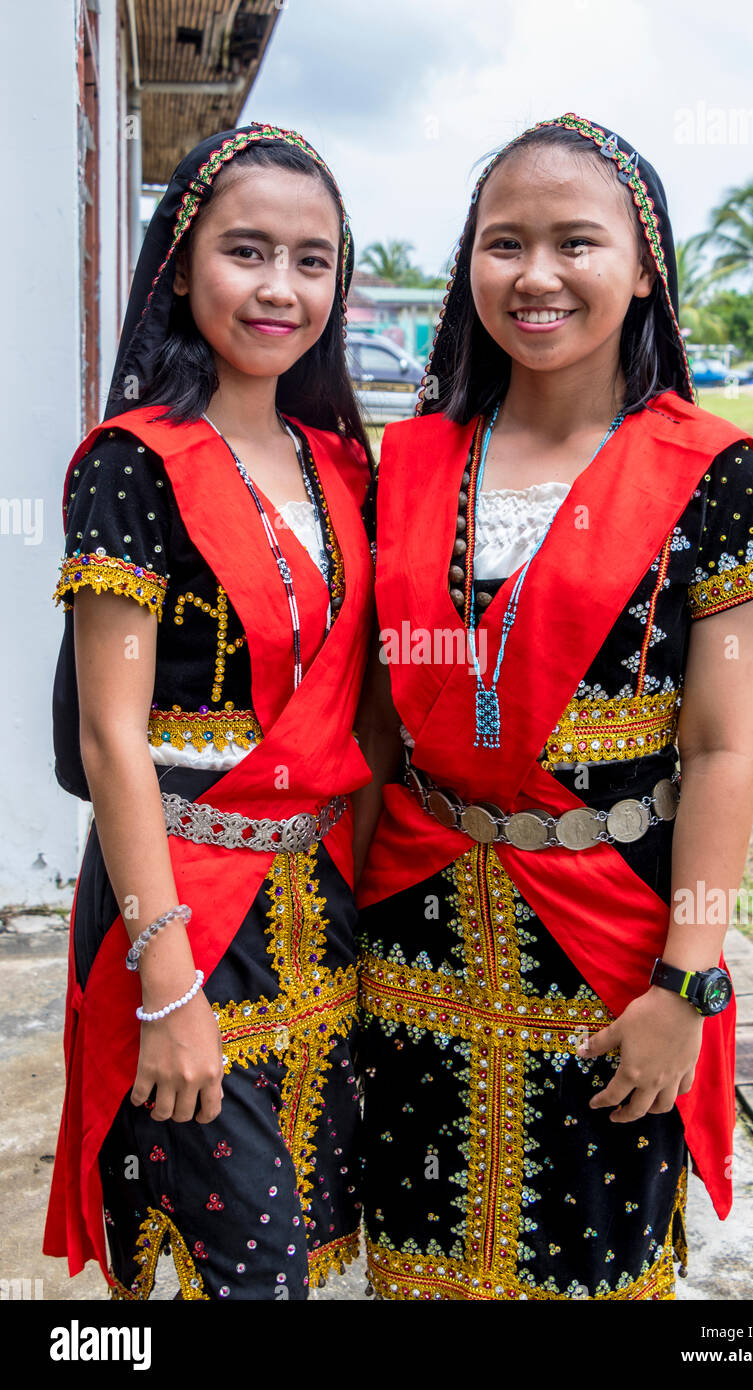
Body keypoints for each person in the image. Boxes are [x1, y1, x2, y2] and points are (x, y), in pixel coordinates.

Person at [352, 114, 753, 1302]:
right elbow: (376, 727)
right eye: (502, 242)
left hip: (610, 950)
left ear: (643, 264)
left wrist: (687, 985)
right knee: (414, 1258)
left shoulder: (712, 473)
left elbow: (720, 752)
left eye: (575, 242)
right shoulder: (405, 463)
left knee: (590, 1261)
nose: (535, 275)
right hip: (411, 942)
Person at [43, 123, 375, 1300]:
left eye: (312, 260)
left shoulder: (341, 464)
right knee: (242, 1263)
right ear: (180, 265)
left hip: (316, 909)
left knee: (302, 1249)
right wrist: (167, 982)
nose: (279, 288)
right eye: (246, 251)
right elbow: (108, 736)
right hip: (177, 912)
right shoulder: (128, 463)